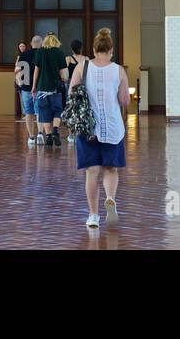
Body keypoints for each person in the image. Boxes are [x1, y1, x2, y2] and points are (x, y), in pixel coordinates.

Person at [70, 27, 128, 229]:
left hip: (88, 127)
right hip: (112, 127)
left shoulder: (82, 67)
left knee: (92, 171)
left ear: (94, 50)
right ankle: (110, 198)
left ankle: (93, 215)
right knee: (110, 168)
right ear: (111, 50)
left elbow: (71, 94)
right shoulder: (118, 70)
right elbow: (124, 100)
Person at [31, 33, 67, 148]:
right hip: (55, 87)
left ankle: (49, 137)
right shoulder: (59, 52)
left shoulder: (40, 52)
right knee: (57, 110)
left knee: (44, 111)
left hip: (42, 87)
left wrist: (34, 86)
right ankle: (55, 130)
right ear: (56, 41)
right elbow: (63, 72)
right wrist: (63, 80)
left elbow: (36, 71)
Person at [18, 36, 42, 145]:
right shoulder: (43, 54)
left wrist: (20, 83)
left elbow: (19, 71)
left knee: (28, 112)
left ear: (31, 43)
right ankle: (40, 133)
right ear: (41, 43)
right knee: (40, 112)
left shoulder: (24, 54)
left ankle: (31, 137)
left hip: (26, 87)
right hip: (40, 87)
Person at [64, 39, 86, 145]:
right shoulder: (86, 59)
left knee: (71, 110)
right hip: (83, 86)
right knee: (82, 109)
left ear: (72, 49)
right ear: (81, 48)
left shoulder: (68, 59)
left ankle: (71, 135)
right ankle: (81, 133)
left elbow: (65, 74)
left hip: (71, 86)